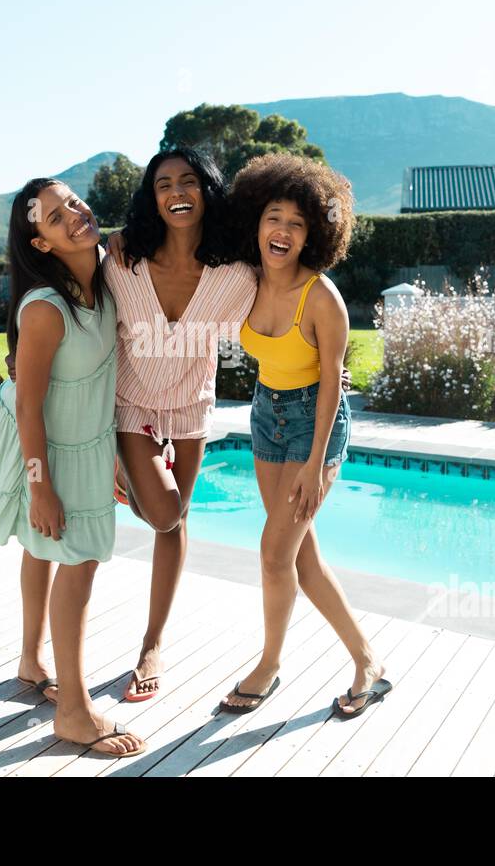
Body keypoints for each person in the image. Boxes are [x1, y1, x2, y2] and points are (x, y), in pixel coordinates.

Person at [0, 177, 145, 757]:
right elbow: (30, 404)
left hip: (85, 439)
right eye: (55, 217)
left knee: (44, 548)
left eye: (74, 203)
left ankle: (31, 660)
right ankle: (74, 711)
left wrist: (112, 453)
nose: (73, 216)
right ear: (40, 245)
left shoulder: (108, 283)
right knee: (78, 557)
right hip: (39, 439)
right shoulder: (45, 309)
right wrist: (41, 487)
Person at [217, 153, 390, 719]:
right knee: (299, 555)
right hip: (267, 415)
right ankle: (369, 663)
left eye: (296, 222)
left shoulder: (323, 298)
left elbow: (332, 386)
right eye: (273, 217)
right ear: (256, 222)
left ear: (313, 232)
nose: (282, 231)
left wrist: (317, 462)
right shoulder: (242, 282)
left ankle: (268, 665)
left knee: (273, 553)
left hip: (316, 423)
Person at [100, 148, 257, 702]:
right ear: (153, 197)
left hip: (191, 405)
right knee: (164, 510)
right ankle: (126, 473)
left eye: (188, 181)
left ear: (207, 191)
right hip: (133, 402)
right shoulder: (121, 263)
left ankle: (152, 644)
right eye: (163, 184)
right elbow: (72, 298)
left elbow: (286, 286)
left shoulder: (237, 274)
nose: (176, 192)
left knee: (175, 521)